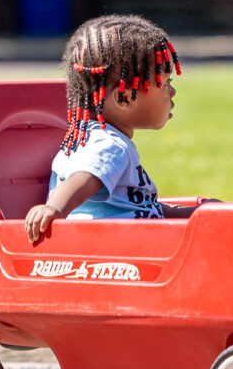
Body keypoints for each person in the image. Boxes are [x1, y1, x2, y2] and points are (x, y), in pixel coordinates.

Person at [25, 14, 201, 244]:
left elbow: (139, 208)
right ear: (124, 97)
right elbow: (83, 178)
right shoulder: (109, 145)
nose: (172, 92)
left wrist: (193, 214)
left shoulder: (87, 138)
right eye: (165, 83)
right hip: (121, 251)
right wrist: (54, 208)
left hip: (128, 242)